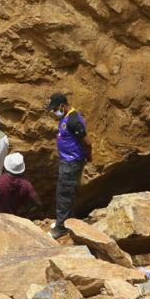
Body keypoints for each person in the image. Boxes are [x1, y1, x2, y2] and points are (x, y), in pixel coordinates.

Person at [48, 93, 91, 239]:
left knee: (64, 194)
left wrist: (88, 155)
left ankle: (60, 228)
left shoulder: (73, 120)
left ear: (62, 105)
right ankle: (67, 222)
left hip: (71, 163)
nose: (54, 112)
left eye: (55, 109)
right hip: (68, 161)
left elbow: (87, 142)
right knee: (68, 192)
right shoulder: (66, 117)